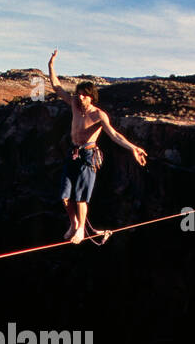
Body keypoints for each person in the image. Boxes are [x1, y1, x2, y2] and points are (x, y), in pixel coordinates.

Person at [47, 49, 147, 243]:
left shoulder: (99, 115)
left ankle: (81, 229)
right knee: (64, 196)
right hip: (74, 153)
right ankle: (74, 224)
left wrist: (133, 148)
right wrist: (51, 65)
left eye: (85, 95)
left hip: (88, 156)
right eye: (79, 94)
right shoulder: (75, 104)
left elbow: (115, 135)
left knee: (80, 197)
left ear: (92, 97)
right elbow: (57, 87)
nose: (81, 97)